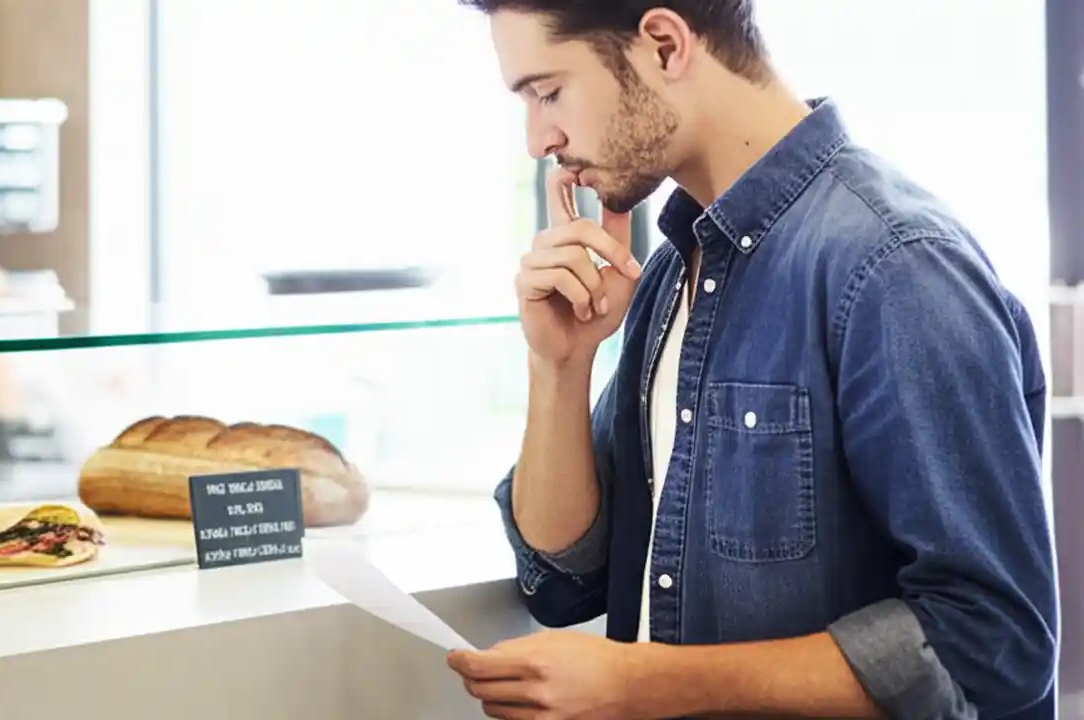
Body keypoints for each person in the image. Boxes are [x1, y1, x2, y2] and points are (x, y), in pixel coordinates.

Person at [443, 2, 1059, 718]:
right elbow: (563, 580)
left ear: (664, 45)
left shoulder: (896, 266)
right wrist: (560, 366)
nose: (538, 140)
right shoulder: (673, 272)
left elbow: (993, 643)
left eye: (548, 93)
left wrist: (647, 685)